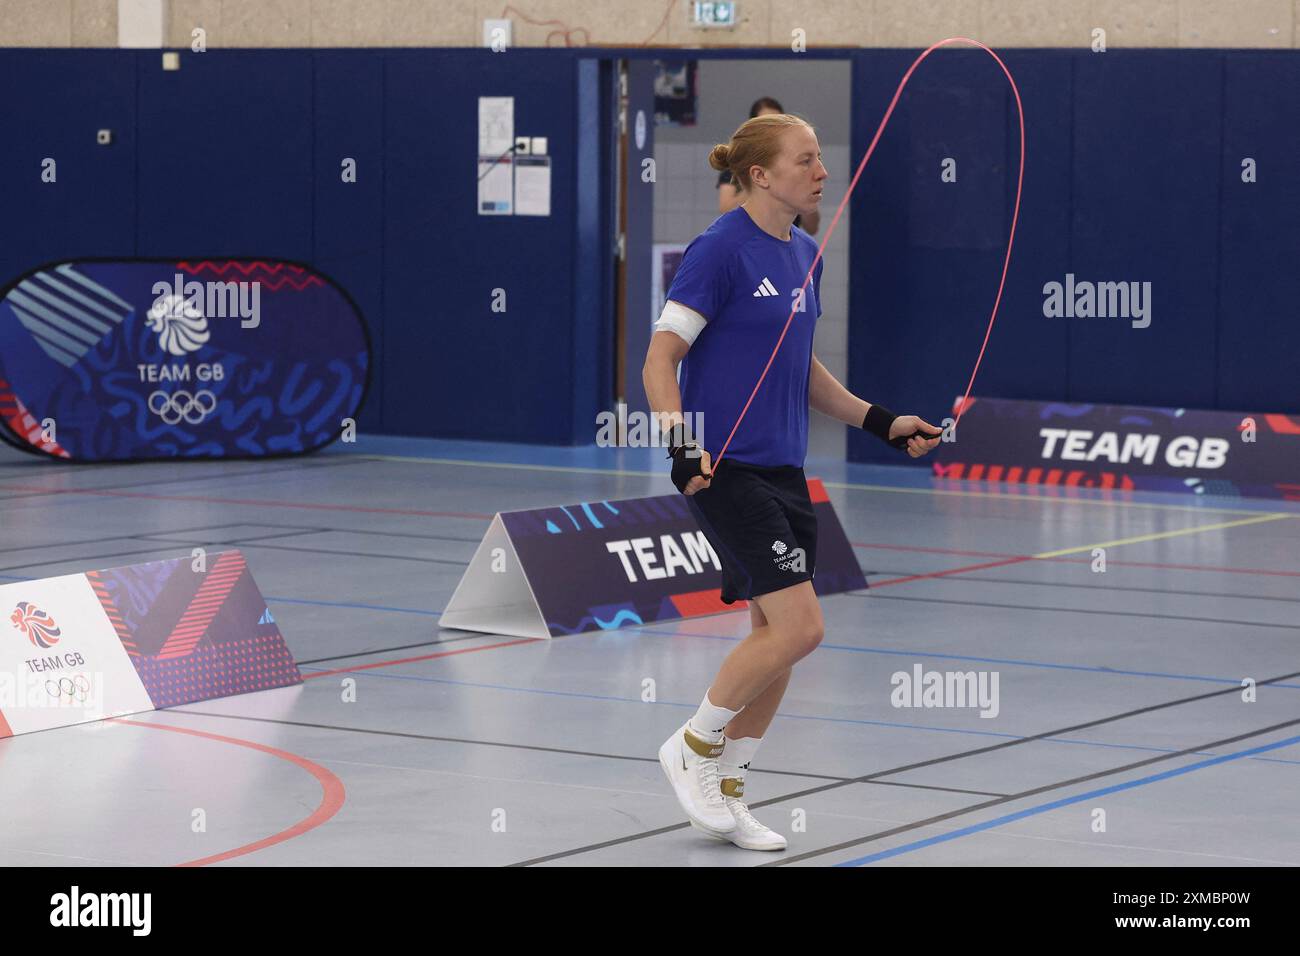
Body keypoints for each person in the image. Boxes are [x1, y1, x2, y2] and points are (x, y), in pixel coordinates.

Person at [642, 112, 941, 851]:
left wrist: (882, 421)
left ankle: (729, 790)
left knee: (773, 635)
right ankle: (691, 745)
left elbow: (799, 369)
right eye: (806, 160)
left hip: (785, 468)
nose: (821, 171)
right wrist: (683, 450)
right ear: (761, 175)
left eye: (819, 159)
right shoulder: (717, 253)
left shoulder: (806, 250)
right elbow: (659, 360)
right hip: (727, 470)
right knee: (803, 628)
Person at [717, 97, 820, 236]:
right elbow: (726, 209)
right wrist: (755, 184)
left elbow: (812, 228)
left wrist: (805, 194)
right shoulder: (736, 166)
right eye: (766, 124)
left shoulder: (806, 247)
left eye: (777, 123)